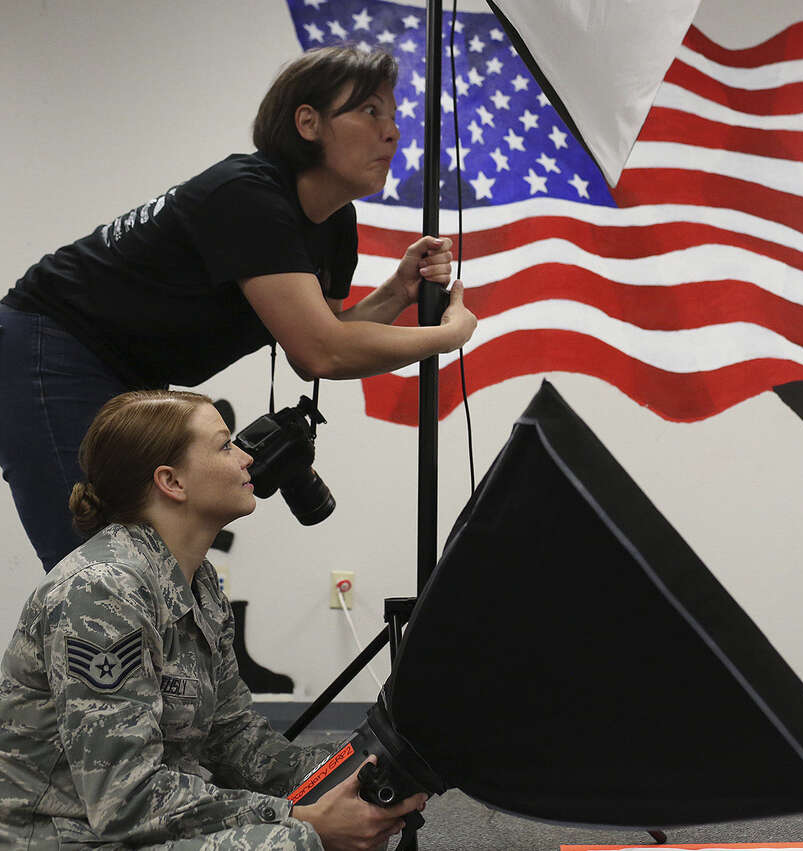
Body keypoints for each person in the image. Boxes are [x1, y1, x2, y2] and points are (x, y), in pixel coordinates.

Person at [0, 45, 477, 572]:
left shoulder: (335, 223)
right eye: (370, 111)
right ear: (308, 122)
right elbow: (322, 353)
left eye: (393, 115)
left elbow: (321, 337)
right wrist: (448, 334)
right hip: (50, 343)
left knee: (150, 561)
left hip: (129, 374)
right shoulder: (248, 194)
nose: (393, 132)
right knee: (95, 567)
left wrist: (396, 293)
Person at [0, 389, 426, 849]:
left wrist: (357, 768)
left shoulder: (196, 582)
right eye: (225, 446)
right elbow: (127, 800)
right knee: (294, 844)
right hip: (62, 837)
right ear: (172, 482)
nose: (246, 458)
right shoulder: (102, 591)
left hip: (133, 825)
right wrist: (302, 822)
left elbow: (233, 737)